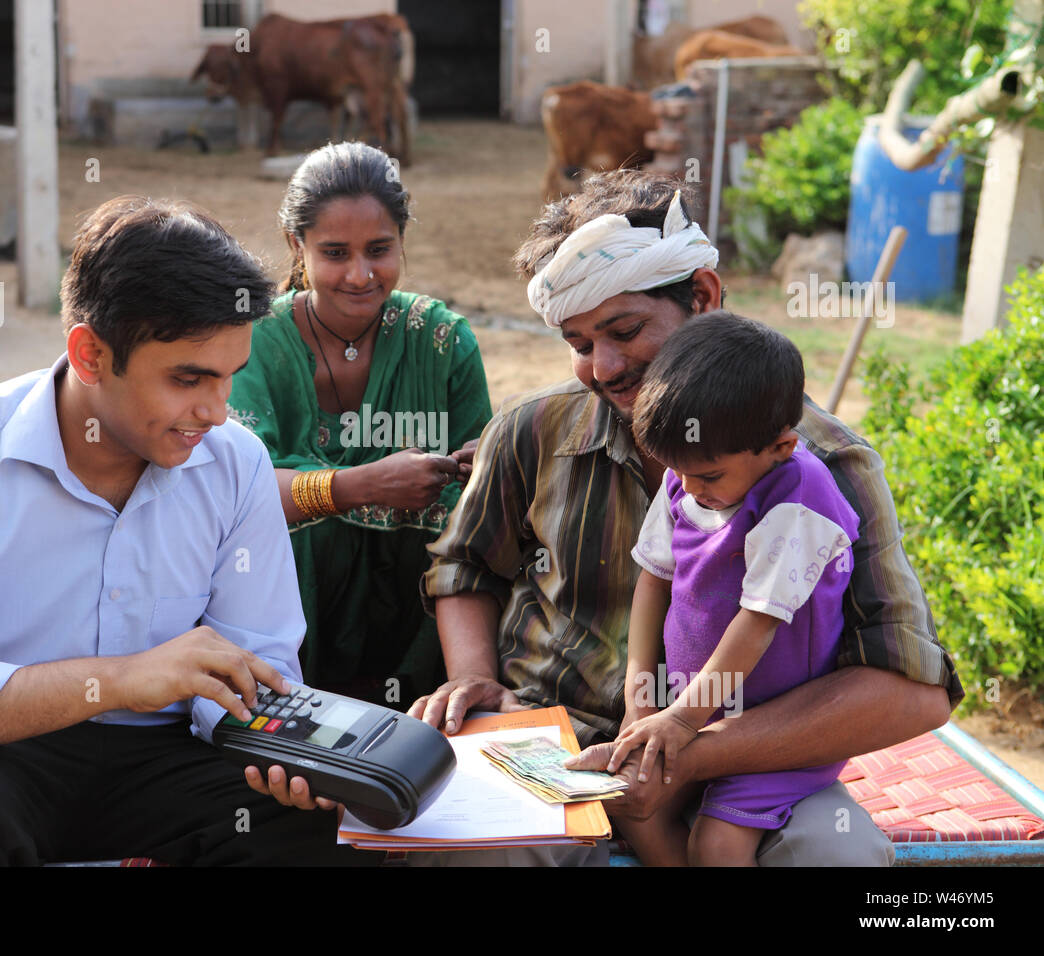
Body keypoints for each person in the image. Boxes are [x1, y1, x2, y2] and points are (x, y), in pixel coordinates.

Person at [411, 172, 963, 866]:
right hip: (555, 748)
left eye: (624, 330)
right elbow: (463, 565)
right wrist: (471, 674)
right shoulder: (530, 429)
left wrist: (687, 752)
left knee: (837, 858)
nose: (602, 368)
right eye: (579, 343)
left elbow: (913, 691)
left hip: (754, 762)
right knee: (469, 857)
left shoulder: (827, 468)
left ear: (702, 295)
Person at [0, 196, 367, 866]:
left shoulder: (235, 464)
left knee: (315, 830)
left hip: (165, 759)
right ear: (90, 354)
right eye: (188, 379)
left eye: (230, 379)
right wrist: (117, 680)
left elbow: (257, 665)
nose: (215, 411)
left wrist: (281, 749)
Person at [227, 141, 492, 708]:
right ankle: (288, 699)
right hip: (283, 623)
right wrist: (359, 487)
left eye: (379, 249)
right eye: (335, 252)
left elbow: (485, 496)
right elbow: (235, 494)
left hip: (420, 624)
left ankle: (447, 690)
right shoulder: (254, 344)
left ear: (402, 240)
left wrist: (482, 465)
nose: (360, 274)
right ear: (297, 247)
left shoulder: (442, 341)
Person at [609, 311, 860, 866]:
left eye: (708, 477)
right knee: (628, 802)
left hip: (773, 733)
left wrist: (680, 720)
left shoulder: (798, 497)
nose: (690, 489)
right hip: (696, 713)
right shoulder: (689, 473)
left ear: (781, 447)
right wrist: (640, 697)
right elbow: (655, 579)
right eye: (677, 472)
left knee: (717, 843)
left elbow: (757, 622)